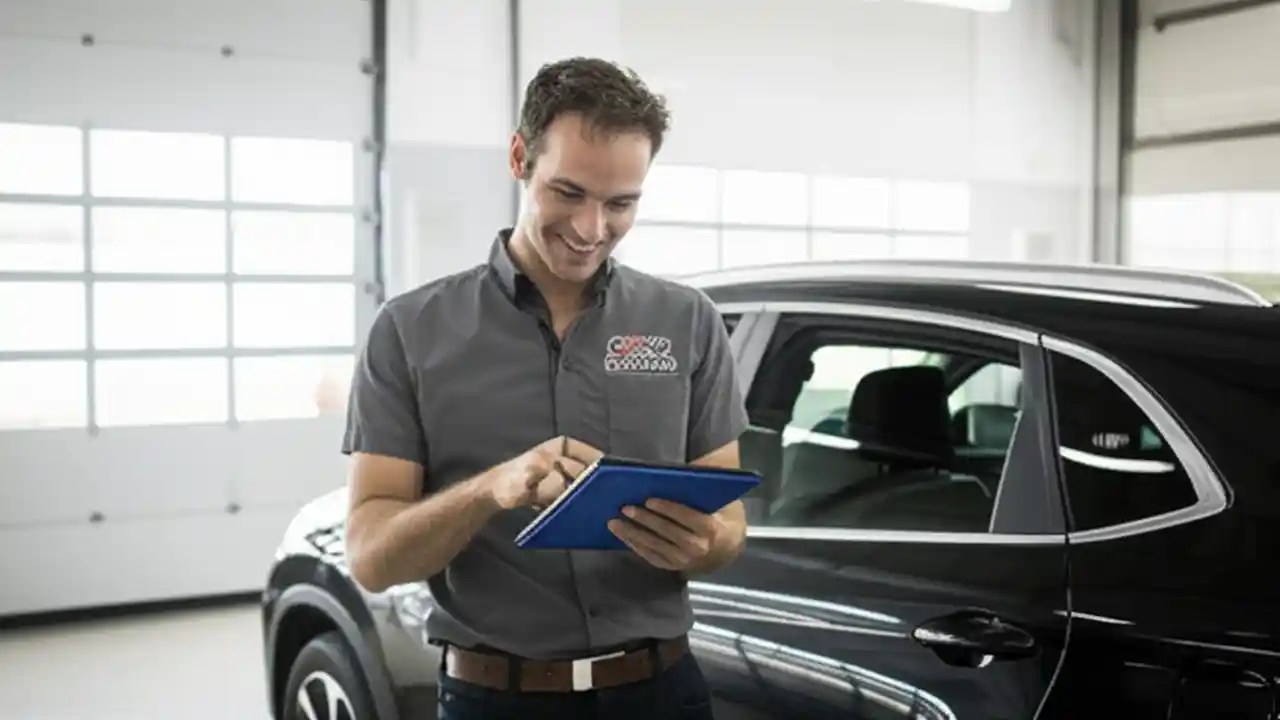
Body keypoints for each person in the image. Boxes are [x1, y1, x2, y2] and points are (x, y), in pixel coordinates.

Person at [341, 56, 749, 720]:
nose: (592, 230)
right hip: (495, 701)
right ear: (518, 157)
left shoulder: (688, 322)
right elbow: (371, 558)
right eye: (569, 193)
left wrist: (709, 544)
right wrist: (491, 489)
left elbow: (730, 524)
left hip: (663, 692)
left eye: (621, 204)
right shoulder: (410, 331)